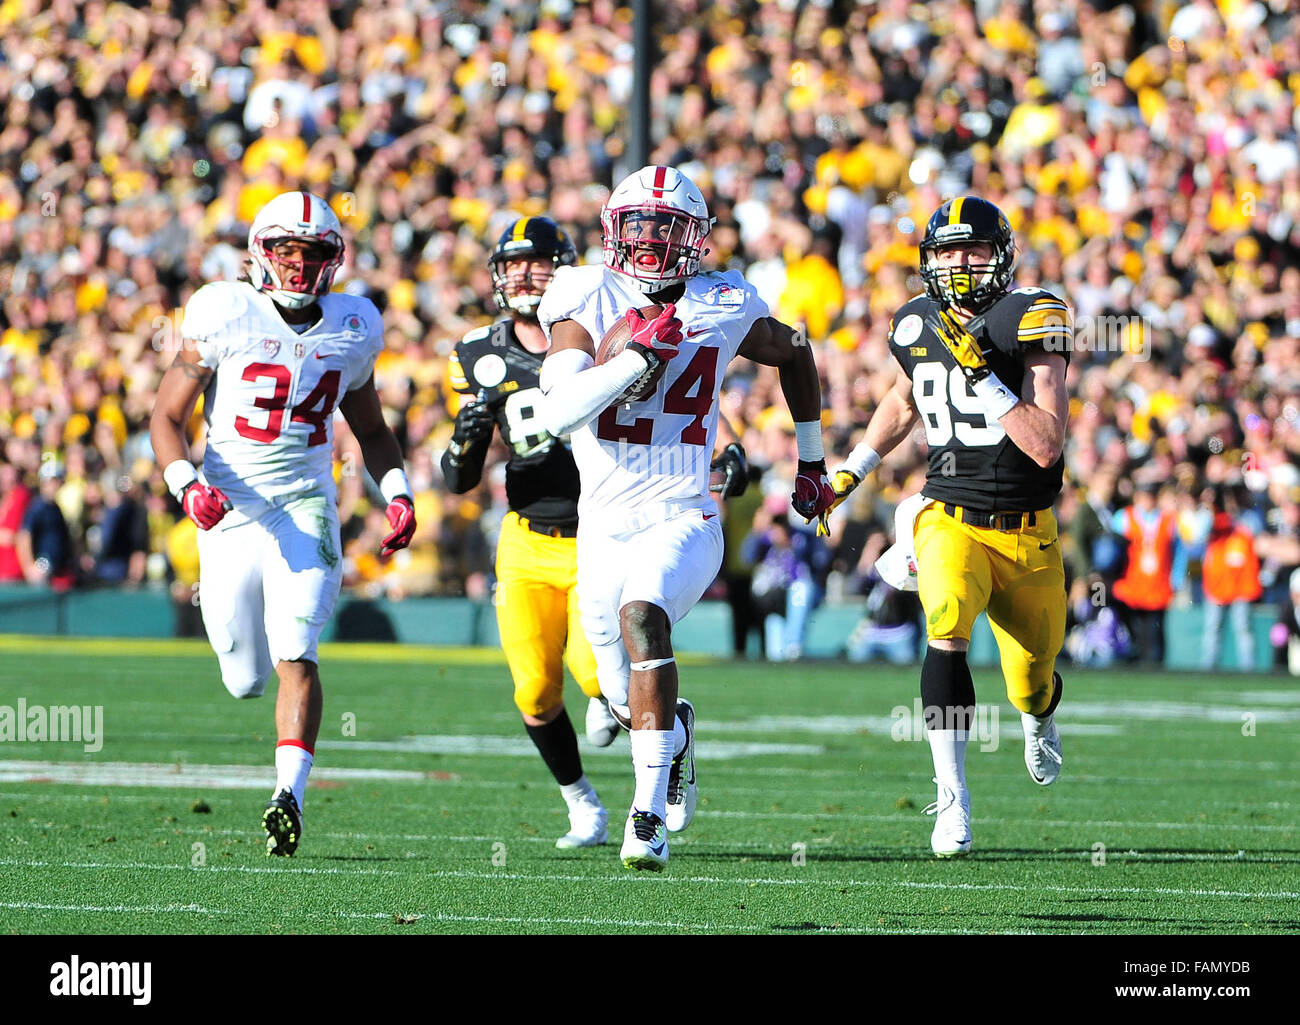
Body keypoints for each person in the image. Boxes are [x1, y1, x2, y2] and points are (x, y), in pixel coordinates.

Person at [536, 164, 833, 871]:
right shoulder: (585, 291)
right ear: (614, 228)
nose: (649, 239)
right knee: (615, 692)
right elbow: (556, 411)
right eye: (637, 223)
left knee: (645, 614)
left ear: (694, 237)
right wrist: (634, 357)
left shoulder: (723, 299)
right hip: (602, 525)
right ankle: (673, 733)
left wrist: (813, 461)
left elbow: (793, 350)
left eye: (666, 225)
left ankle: (645, 817)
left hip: (685, 510)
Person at [150, 190, 415, 857]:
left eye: (314, 252)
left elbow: (373, 430)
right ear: (260, 254)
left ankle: (288, 794)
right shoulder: (224, 311)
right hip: (231, 506)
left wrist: (399, 492)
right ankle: (241, 620)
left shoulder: (352, 325)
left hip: (305, 503)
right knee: (244, 677)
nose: (299, 265)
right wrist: (186, 483)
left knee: (297, 647)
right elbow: (165, 417)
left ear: (333, 259)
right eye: (286, 251)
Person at [829, 196, 1071, 858]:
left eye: (973, 249)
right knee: (946, 623)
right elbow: (904, 399)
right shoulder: (913, 324)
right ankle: (953, 796)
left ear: (1002, 254)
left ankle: (1039, 714)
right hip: (951, 511)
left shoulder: (1033, 314)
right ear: (927, 260)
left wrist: (985, 378)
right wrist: (854, 469)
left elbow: (1046, 444)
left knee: (1032, 676)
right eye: (946, 251)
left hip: (1028, 529)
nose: (960, 264)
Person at [440, 215, 618, 850]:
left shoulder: (598, 333)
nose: (522, 273)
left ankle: (618, 702)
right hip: (525, 538)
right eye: (512, 263)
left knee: (598, 677)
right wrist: (464, 439)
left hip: (600, 530)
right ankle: (582, 805)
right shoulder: (477, 352)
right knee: (535, 688)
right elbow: (460, 478)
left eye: (538, 261)